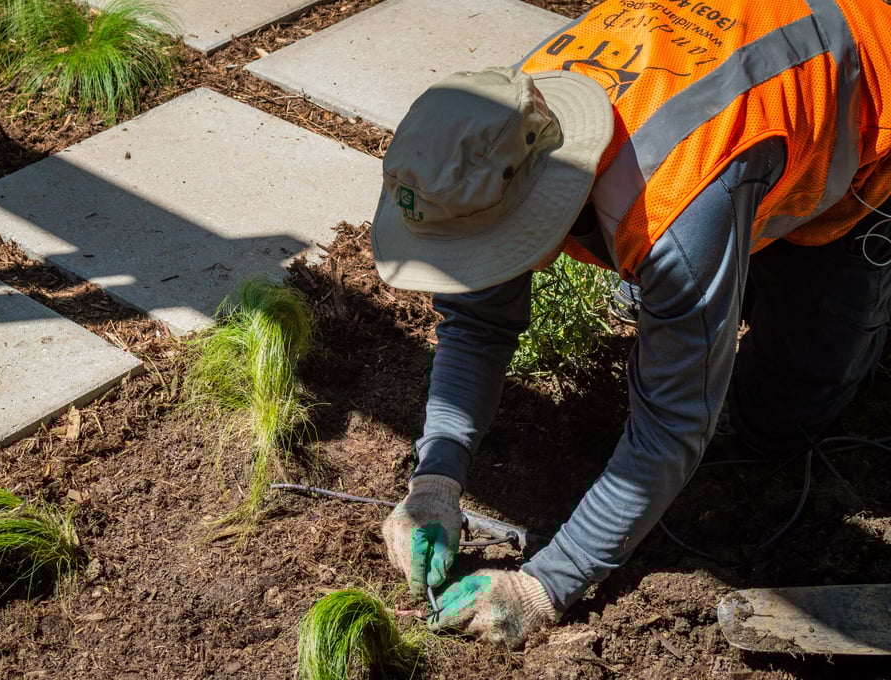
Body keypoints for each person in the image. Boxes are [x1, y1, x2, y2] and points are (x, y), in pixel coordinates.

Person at [371, 0, 891, 648]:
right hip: (745, 124)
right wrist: (435, 480)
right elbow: (476, 325)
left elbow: (674, 424)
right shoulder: (494, 135)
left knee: (781, 411)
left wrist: (543, 586)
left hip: (867, 82)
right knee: (707, 272)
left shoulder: (675, 207)